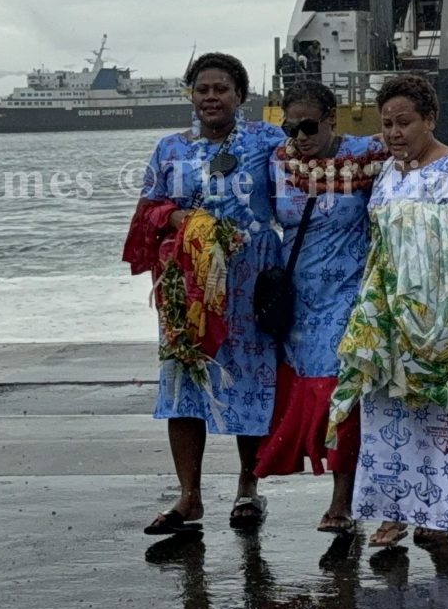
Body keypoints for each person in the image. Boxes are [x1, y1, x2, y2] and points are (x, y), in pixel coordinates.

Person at [327, 74, 448, 549]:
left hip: (441, 311)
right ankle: (393, 513)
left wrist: (405, 222)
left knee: (439, 415)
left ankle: (437, 512)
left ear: (430, 119)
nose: (393, 133)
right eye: (386, 123)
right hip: (389, 309)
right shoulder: (392, 171)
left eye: (404, 123)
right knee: (387, 412)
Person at [122, 52, 286, 534]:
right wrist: (176, 219)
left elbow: (304, 187)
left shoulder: (267, 140)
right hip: (187, 286)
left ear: (241, 94)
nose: (211, 97)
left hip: (250, 279)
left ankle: (248, 489)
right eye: (202, 89)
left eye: (221, 89)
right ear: (191, 95)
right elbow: (148, 207)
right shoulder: (169, 148)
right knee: (184, 384)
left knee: (251, 382)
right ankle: (188, 496)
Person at [254, 80, 388, 534]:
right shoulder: (280, 162)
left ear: (333, 117)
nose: (300, 136)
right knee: (304, 392)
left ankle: (341, 503)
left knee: (341, 392)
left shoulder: (368, 157)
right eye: (290, 128)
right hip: (300, 299)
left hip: (349, 293)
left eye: (309, 125)